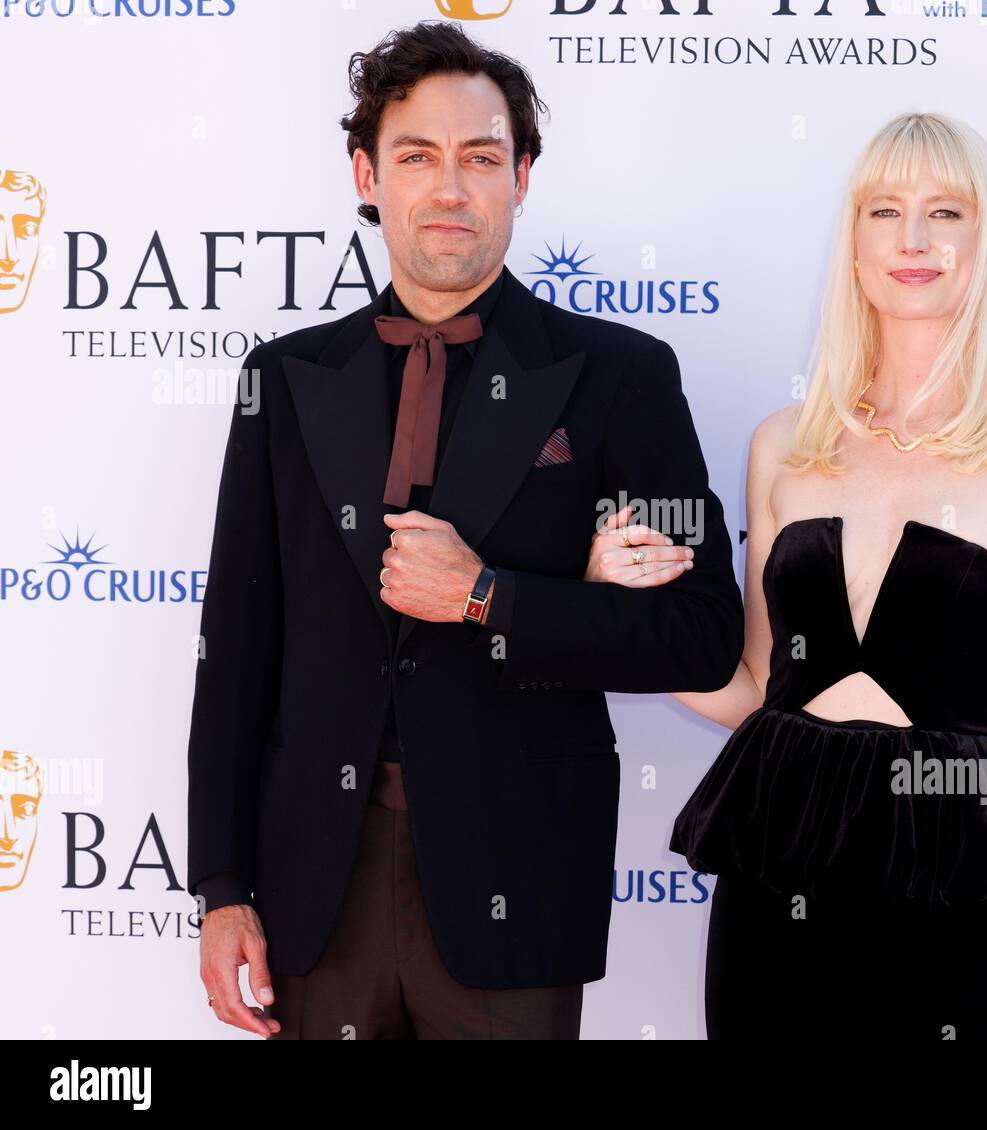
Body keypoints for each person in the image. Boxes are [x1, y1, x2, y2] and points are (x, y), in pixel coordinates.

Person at [186, 20, 743, 1040]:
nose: (450, 188)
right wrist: (221, 886)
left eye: (481, 157)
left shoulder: (620, 377)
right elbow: (235, 650)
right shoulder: (283, 379)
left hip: (515, 880)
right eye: (417, 156)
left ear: (522, 175)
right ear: (367, 171)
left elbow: (701, 633)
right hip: (316, 889)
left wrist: (490, 597)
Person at [587, 112, 987, 1040]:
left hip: (961, 875)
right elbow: (756, 684)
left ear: (986, 237)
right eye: (886, 211)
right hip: (782, 869)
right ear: (855, 242)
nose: (914, 240)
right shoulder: (785, 444)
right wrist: (612, 612)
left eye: (945, 212)